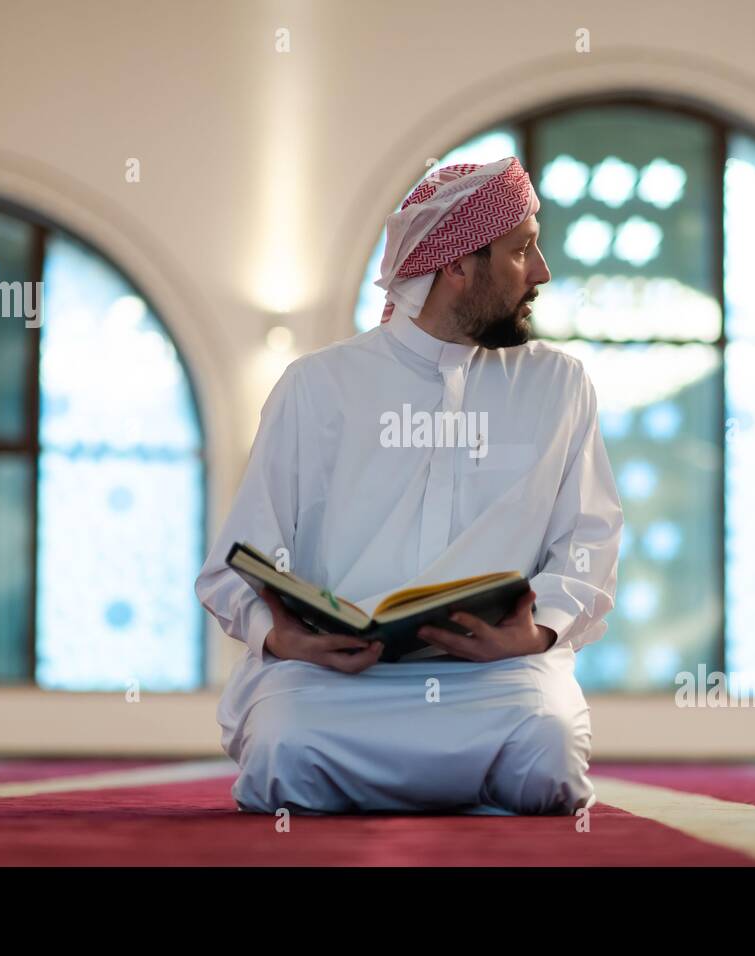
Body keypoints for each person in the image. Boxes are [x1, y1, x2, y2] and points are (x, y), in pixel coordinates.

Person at [195, 156, 623, 815]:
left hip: (497, 679)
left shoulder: (558, 384)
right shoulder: (317, 387)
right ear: (457, 266)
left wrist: (536, 635)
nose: (541, 272)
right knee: (285, 751)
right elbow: (232, 568)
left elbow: (589, 542)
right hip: (336, 682)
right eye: (522, 251)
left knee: (549, 747)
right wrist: (284, 639)